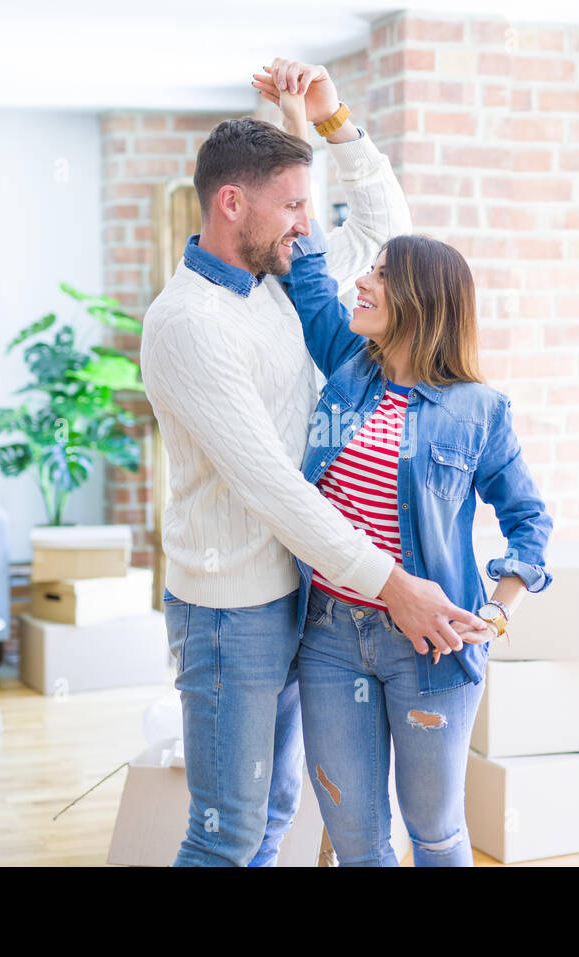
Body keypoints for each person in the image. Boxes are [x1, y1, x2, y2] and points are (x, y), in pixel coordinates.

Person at [139, 57, 492, 867]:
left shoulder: (272, 285)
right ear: (232, 204)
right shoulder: (190, 325)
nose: (307, 224)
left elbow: (385, 235)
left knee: (271, 815)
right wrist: (396, 586)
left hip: (298, 593)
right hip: (233, 611)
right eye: (294, 206)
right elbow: (276, 490)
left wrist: (325, 124)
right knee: (227, 829)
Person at [266, 86, 554, 866]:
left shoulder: (478, 408)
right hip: (329, 637)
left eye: (382, 275)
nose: (364, 282)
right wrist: (303, 129)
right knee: (359, 842)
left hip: (427, 643)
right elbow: (314, 263)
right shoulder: (347, 364)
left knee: (435, 832)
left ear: (420, 302)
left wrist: (495, 614)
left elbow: (530, 522)